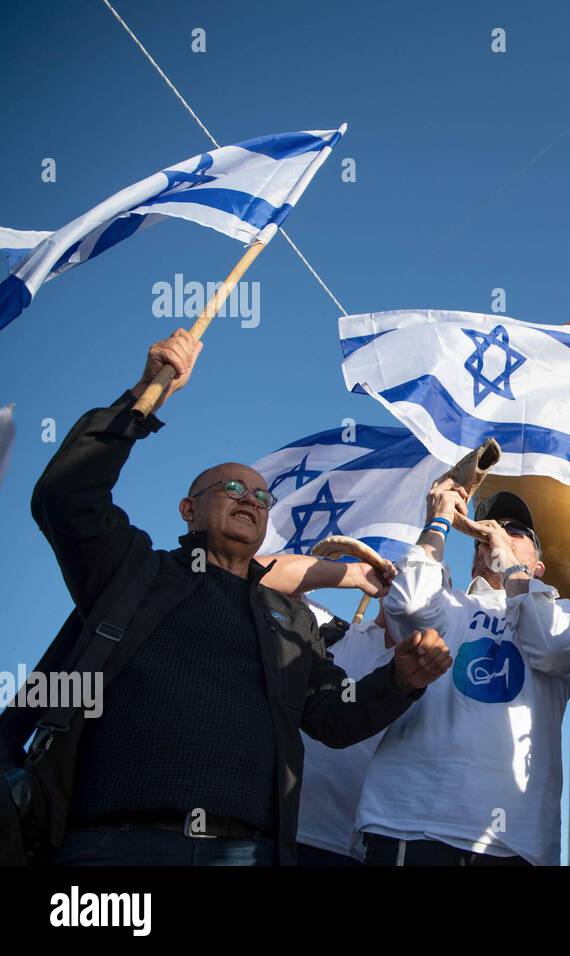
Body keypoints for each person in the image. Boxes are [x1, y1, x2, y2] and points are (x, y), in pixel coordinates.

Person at [6, 329, 449, 866]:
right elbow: (65, 495)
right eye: (233, 490)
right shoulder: (132, 572)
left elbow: (334, 719)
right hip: (112, 848)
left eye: (263, 497)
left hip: (246, 852)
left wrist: (400, 680)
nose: (252, 500)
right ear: (188, 511)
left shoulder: (289, 620)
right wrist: (143, 399)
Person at [357, 480, 570, 866]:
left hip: (516, 838)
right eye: (490, 529)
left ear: (540, 565)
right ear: (474, 555)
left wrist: (510, 564)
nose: (498, 533)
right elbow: (408, 605)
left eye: (517, 532)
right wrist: (439, 520)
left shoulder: (565, 613)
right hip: (410, 820)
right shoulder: (449, 603)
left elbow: (551, 647)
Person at [294, 601, 398, 866]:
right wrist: (347, 569)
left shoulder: (435, 670)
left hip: (357, 848)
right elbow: (265, 578)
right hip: (283, 832)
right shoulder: (329, 632)